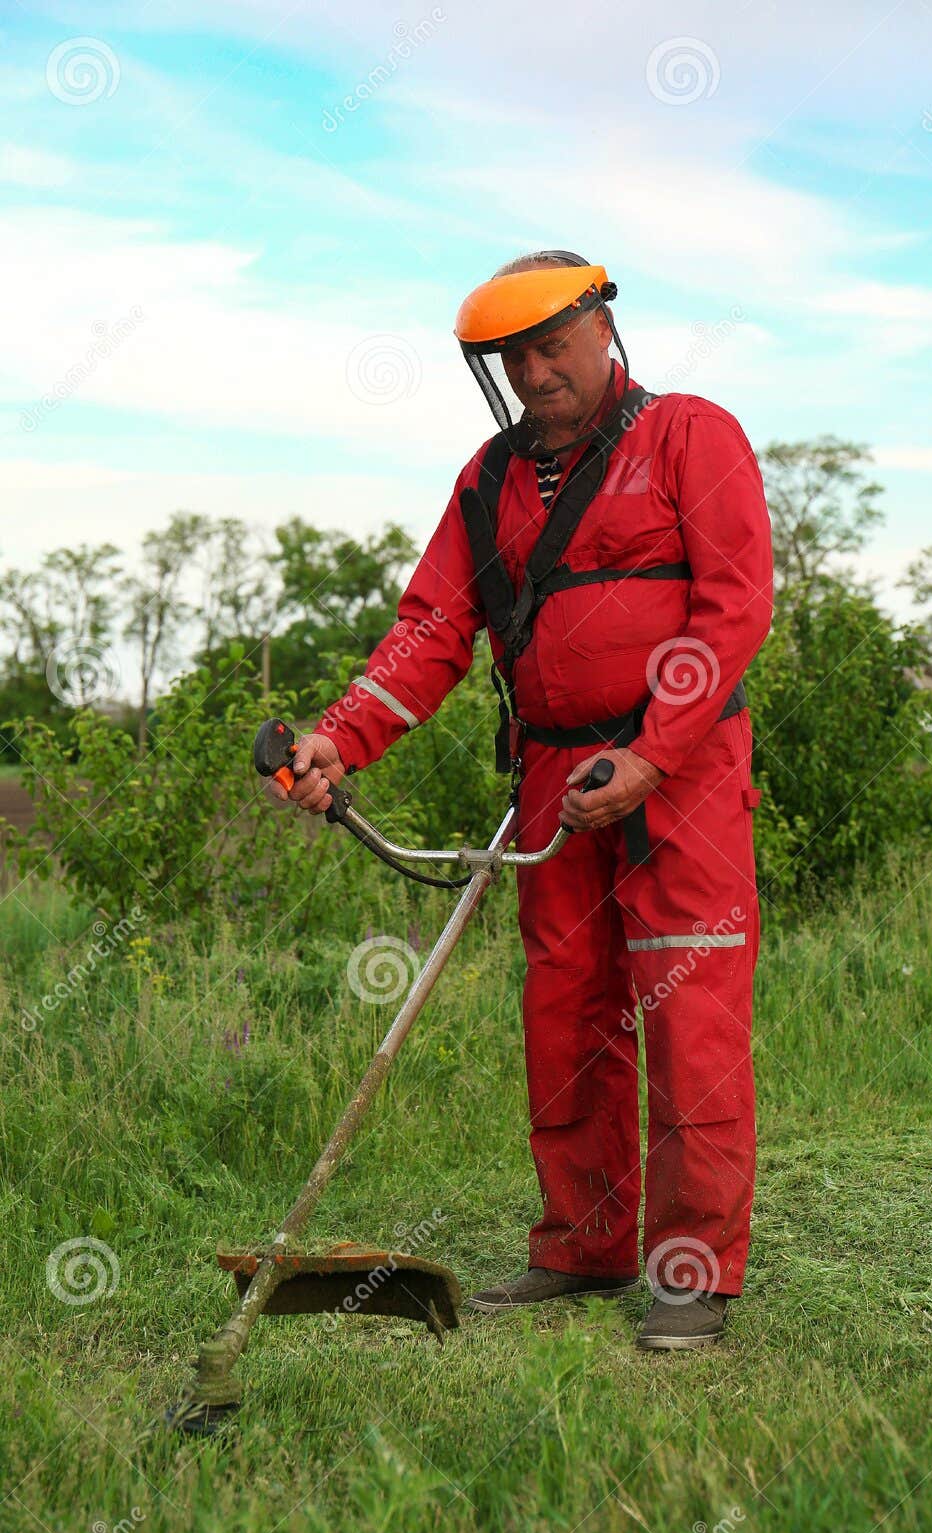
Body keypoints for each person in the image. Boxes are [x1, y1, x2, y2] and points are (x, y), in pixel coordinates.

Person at [265, 250, 773, 1350]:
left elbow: (733, 608)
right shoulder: (486, 481)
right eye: (513, 357)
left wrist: (649, 751)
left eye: (552, 344)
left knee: (689, 1018)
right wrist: (336, 741)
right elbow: (431, 630)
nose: (535, 372)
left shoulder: (692, 434)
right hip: (548, 776)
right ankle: (581, 1249)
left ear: (602, 326)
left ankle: (691, 1272)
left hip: (676, 775)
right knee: (567, 1017)